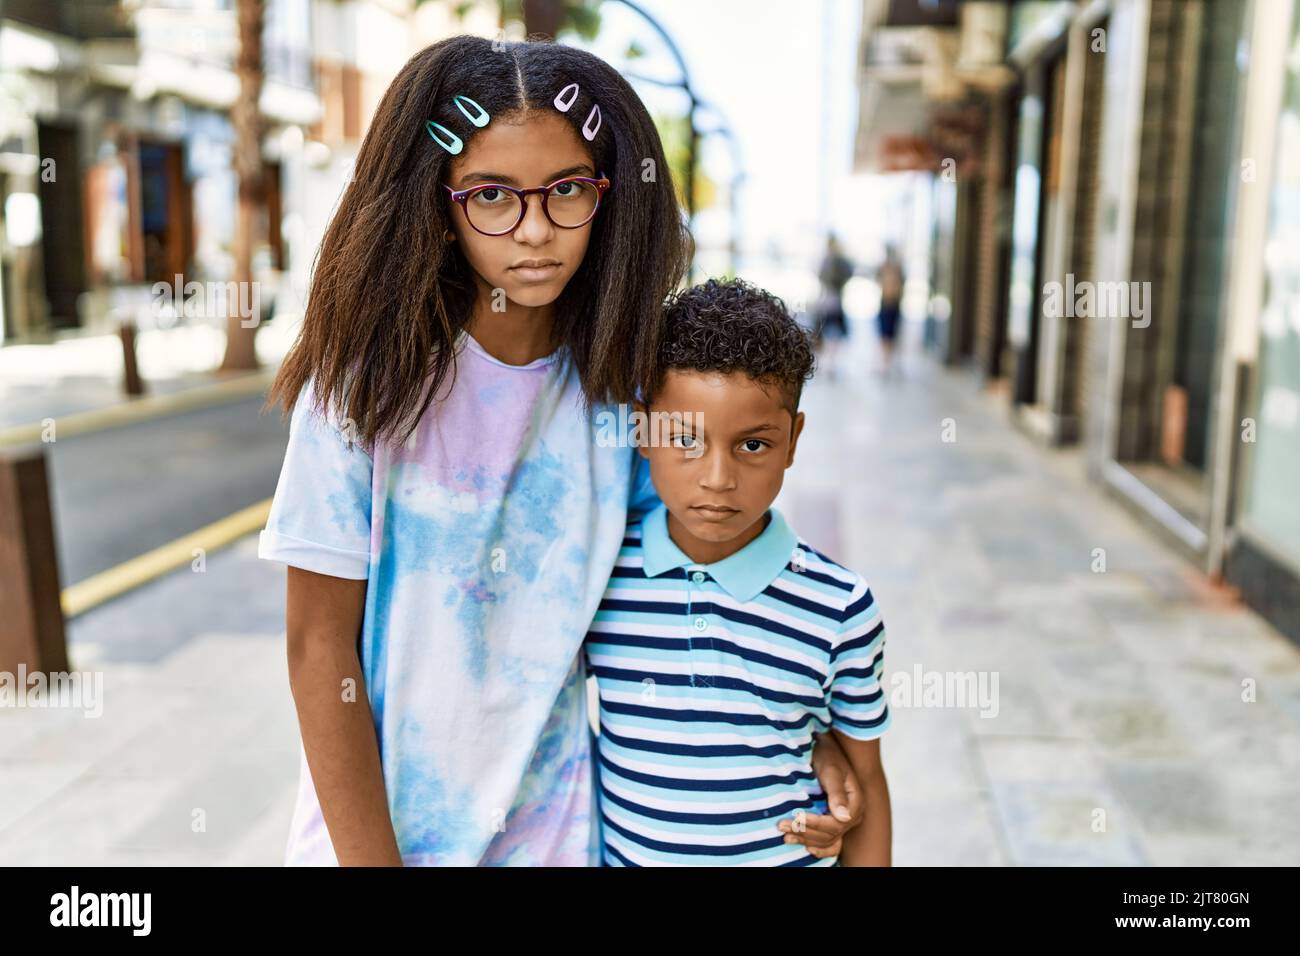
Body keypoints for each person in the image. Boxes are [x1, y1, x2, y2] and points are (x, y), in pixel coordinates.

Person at [256, 36, 863, 866]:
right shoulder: (361, 386)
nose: (535, 230)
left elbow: (706, 580)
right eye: (493, 195)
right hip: (376, 840)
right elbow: (318, 648)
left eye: (567, 190)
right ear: (438, 201)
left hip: (564, 842)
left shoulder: (627, 385)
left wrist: (809, 732)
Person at [586, 278, 893, 866]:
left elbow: (866, 787)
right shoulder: (599, 576)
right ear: (643, 430)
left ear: (793, 440)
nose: (719, 478)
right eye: (685, 439)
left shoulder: (841, 609)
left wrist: (824, 745)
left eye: (752, 446)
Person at [814, 233, 853, 378]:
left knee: (835, 333)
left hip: (835, 301)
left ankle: (831, 362)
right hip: (826, 301)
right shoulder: (826, 260)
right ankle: (825, 362)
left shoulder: (840, 261)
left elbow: (847, 273)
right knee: (822, 332)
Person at [876, 244, 905, 376]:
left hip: (893, 305)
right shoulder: (884, 267)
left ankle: (888, 362)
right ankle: (885, 362)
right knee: (885, 335)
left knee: (891, 335)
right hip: (886, 304)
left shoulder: (897, 268)